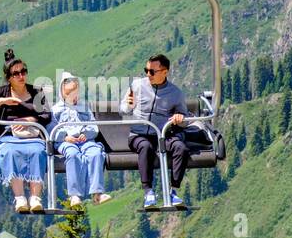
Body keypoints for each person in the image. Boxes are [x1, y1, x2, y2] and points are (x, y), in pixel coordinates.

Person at [0, 50, 52, 213]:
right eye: (16, 73)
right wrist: (2, 101)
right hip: (8, 135)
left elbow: (46, 115)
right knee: (10, 152)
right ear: (9, 77)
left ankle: (35, 197)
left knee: (38, 151)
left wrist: (30, 120)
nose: (21, 76)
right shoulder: (3, 92)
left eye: (23, 72)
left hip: (32, 134)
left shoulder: (35, 92)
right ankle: (20, 198)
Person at [124, 53, 192, 209]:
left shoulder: (175, 93)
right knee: (145, 147)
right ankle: (148, 192)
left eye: (152, 72)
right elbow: (124, 109)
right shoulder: (137, 86)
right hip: (139, 134)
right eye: (146, 70)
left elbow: (185, 120)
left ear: (165, 72)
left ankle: (173, 191)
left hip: (162, 135)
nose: (148, 74)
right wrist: (129, 105)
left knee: (180, 148)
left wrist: (179, 118)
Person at [50, 73, 111, 208]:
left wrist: (86, 133)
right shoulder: (55, 110)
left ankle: (97, 193)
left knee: (95, 153)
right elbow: (52, 130)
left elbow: (93, 126)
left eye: (75, 93)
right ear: (62, 93)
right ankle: (74, 195)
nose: (73, 96)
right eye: (69, 93)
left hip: (85, 140)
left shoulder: (84, 107)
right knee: (72, 155)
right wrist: (65, 137)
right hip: (66, 141)